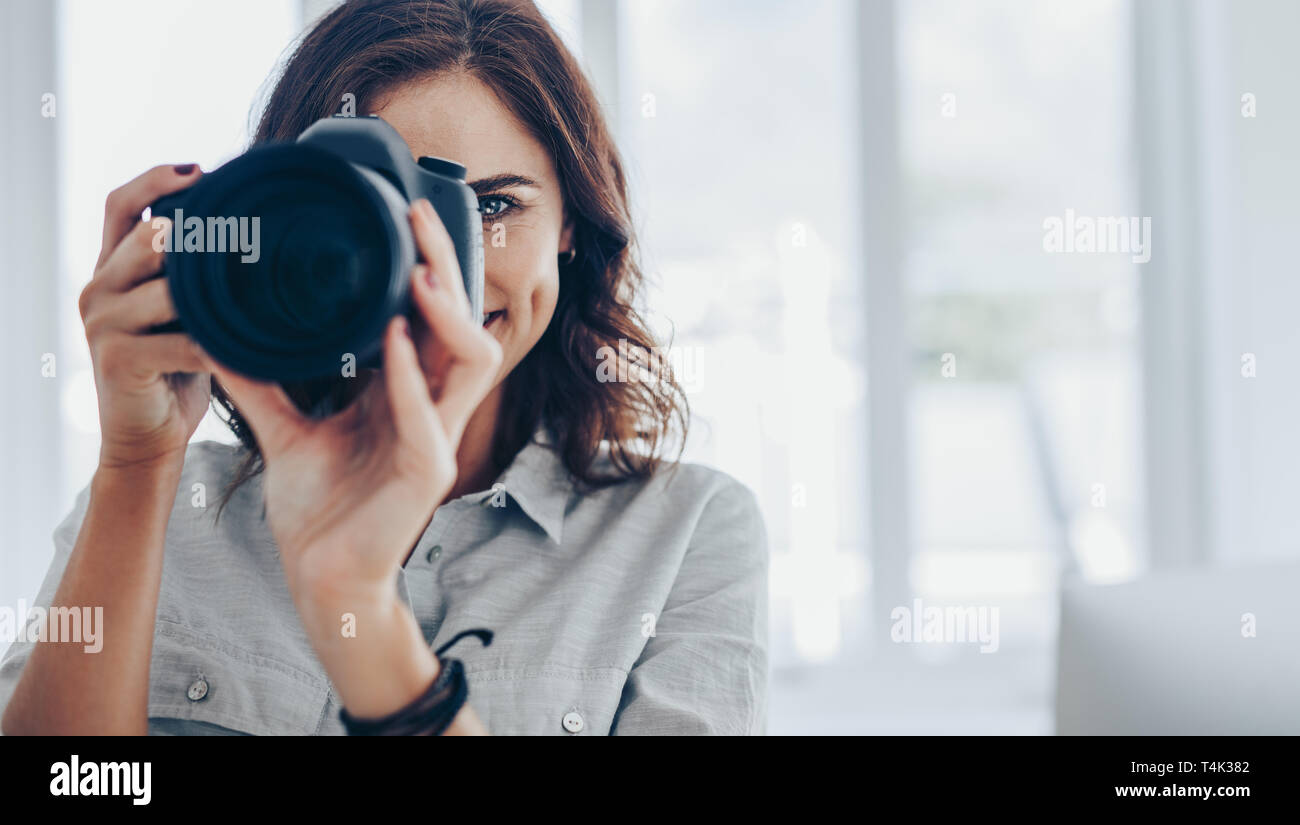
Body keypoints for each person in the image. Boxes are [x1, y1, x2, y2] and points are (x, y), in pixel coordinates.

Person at [0, 0, 768, 736]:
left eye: (492, 209)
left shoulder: (685, 535)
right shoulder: (151, 501)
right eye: (382, 214)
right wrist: (137, 463)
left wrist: (359, 611)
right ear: (283, 225)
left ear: (570, 222)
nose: (437, 268)